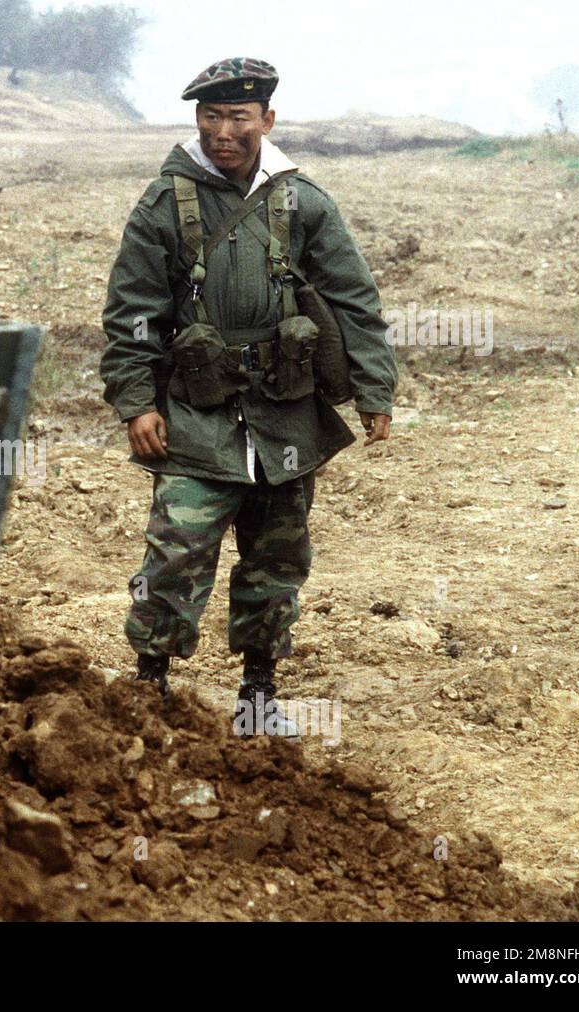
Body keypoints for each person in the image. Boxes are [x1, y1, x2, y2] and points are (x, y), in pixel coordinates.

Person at [99, 57, 396, 736]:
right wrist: (137, 402)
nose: (222, 130)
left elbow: (355, 300)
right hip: (198, 416)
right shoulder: (163, 205)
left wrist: (374, 387)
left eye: (237, 117)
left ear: (267, 119)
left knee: (278, 558)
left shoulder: (304, 202)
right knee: (175, 550)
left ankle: (258, 692)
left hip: (286, 412)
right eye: (209, 116)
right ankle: (151, 688)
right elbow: (132, 314)